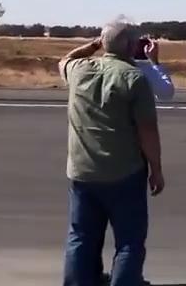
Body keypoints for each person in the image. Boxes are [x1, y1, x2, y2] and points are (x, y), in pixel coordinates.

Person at [59, 18, 165, 286]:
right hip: (124, 172)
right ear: (130, 46)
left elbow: (65, 60)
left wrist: (95, 45)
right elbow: (147, 131)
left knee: (81, 235)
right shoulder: (134, 78)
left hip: (82, 171)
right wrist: (156, 169)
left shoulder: (79, 70)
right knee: (129, 240)